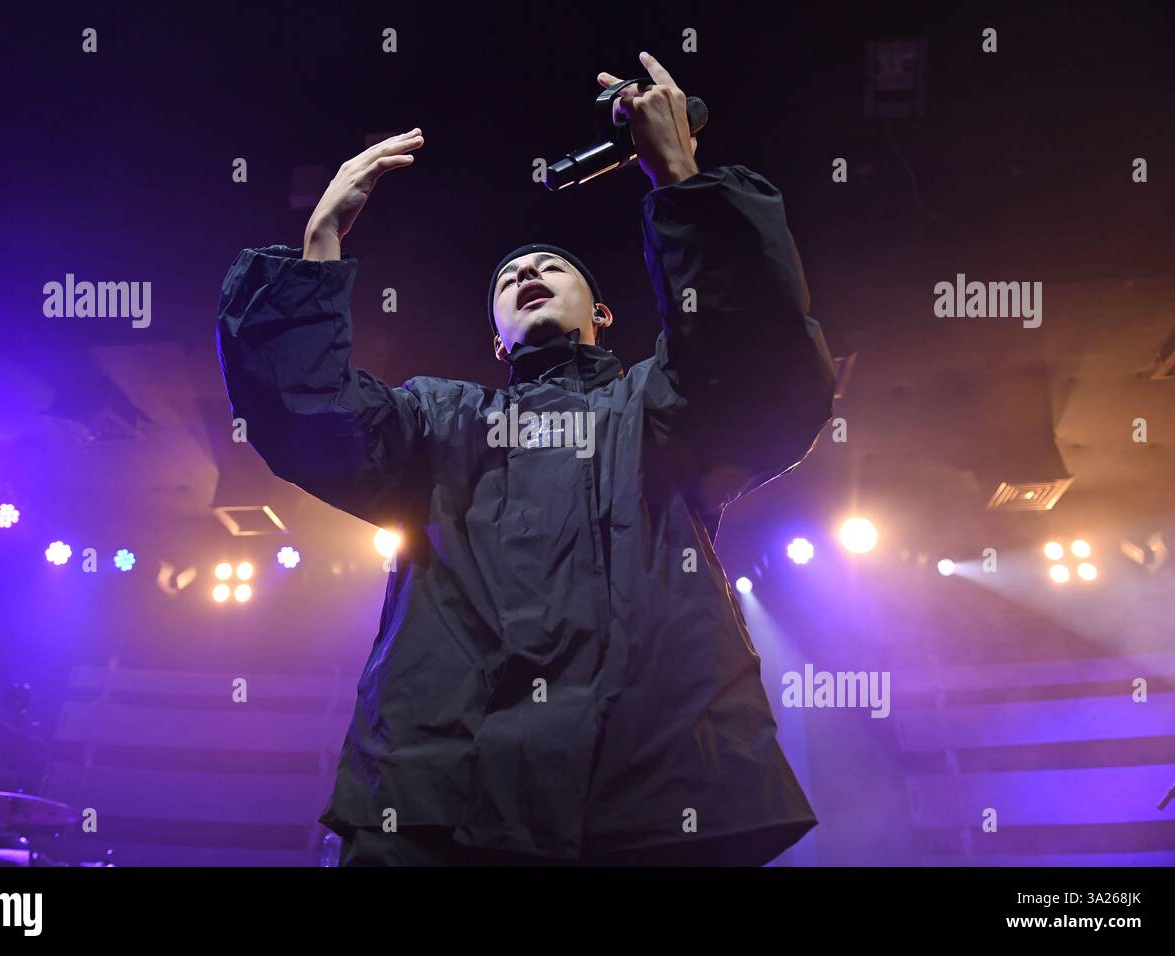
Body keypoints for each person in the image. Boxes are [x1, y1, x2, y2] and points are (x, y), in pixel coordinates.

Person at [217, 52, 837, 866]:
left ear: (603, 313)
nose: (529, 273)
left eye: (551, 267)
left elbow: (761, 368)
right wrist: (318, 248)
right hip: (443, 803)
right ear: (496, 337)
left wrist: (680, 177)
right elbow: (304, 415)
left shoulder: (656, 410)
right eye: (511, 277)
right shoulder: (439, 424)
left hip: (645, 800)